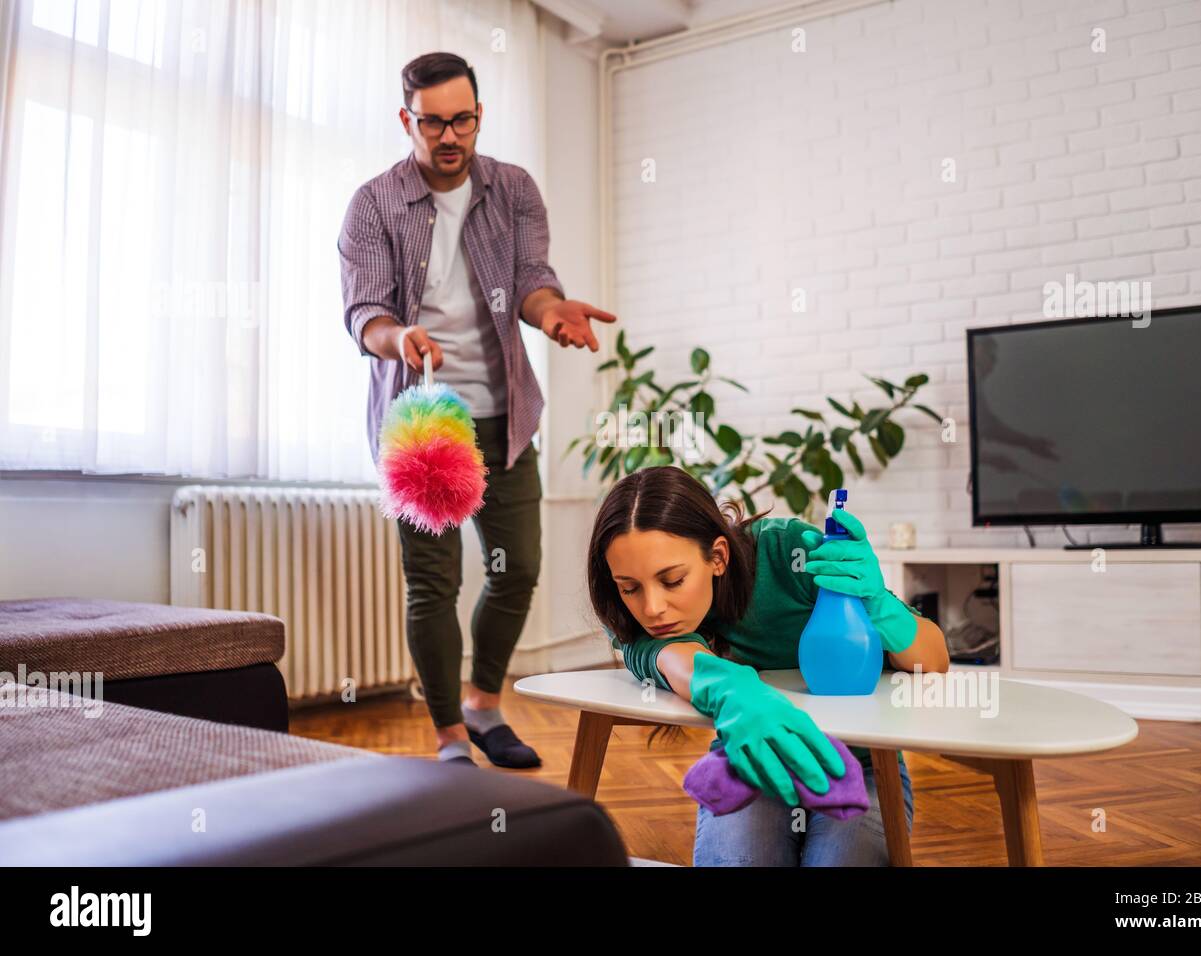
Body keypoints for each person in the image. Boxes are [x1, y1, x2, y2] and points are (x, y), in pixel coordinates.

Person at [339, 51, 616, 767]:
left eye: (462, 119)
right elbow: (363, 312)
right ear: (409, 120)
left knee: (517, 566)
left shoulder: (514, 189)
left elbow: (532, 280)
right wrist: (400, 337)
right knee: (434, 580)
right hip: (423, 423)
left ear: (479, 115)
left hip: (506, 417)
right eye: (433, 122)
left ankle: (484, 704)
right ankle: (448, 735)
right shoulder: (373, 204)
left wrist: (551, 312)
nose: (449, 135)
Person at [587, 466, 950, 865]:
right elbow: (669, 656)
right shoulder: (623, 610)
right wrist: (731, 692)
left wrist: (879, 605)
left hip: (861, 767)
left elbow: (933, 659)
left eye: (672, 580)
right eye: (630, 587)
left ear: (718, 557)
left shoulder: (790, 554)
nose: (652, 608)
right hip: (750, 761)